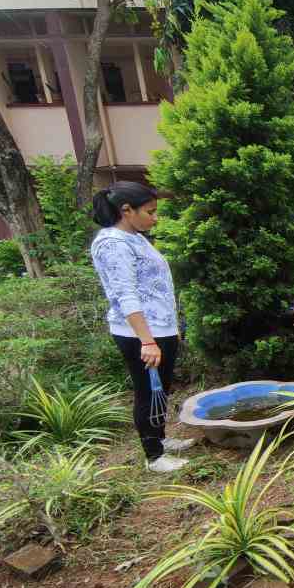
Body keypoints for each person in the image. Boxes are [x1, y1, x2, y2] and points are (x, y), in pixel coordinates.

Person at [90, 181, 195, 473]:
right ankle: (154, 457)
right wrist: (147, 341)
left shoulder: (134, 237)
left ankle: (160, 438)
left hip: (159, 330)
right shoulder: (113, 244)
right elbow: (126, 295)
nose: (155, 218)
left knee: (161, 389)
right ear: (127, 210)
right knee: (148, 391)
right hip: (140, 334)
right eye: (150, 212)